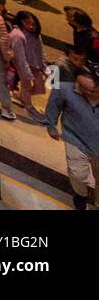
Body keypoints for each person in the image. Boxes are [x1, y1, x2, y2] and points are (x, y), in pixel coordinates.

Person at [45, 70, 99, 210]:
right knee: (77, 174)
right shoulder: (63, 89)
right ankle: (80, 196)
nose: (86, 92)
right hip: (75, 139)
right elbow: (53, 106)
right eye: (82, 87)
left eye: (92, 90)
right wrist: (51, 126)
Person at [9, 10, 47, 121]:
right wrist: (26, 73)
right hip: (23, 65)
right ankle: (28, 106)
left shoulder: (36, 34)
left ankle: (21, 96)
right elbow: (20, 57)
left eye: (33, 24)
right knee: (26, 85)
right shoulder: (17, 35)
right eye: (27, 23)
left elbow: (41, 50)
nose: (30, 26)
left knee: (40, 87)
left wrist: (43, 66)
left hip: (35, 64)